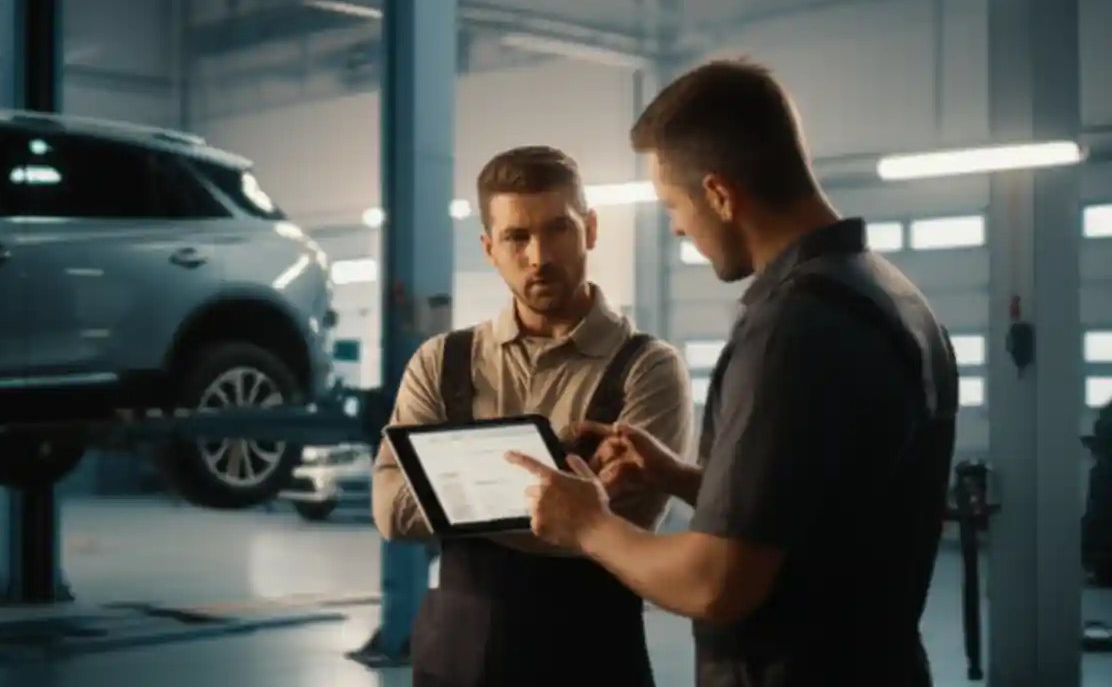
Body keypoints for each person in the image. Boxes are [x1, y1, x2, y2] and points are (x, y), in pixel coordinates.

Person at [507, 59, 961, 687]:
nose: (675, 225)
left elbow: (715, 583)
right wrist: (684, 478)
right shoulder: (893, 297)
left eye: (673, 203)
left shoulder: (792, 328)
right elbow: (817, 513)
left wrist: (588, 523)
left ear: (720, 194)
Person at [371, 145, 692, 687]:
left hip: (589, 660)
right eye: (517, 237)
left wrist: (454, 482)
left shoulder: (648, 368)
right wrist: (562, 497)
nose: (539, 255)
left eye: (558, 229)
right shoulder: (440, 362)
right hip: (454, 663)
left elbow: (631, 520)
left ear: (590, 229)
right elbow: (391, 511)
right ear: (490, 248)